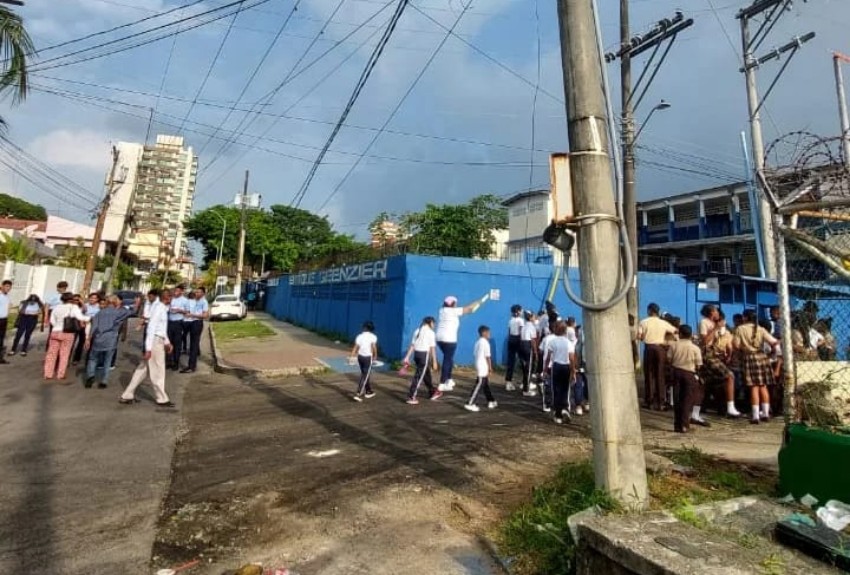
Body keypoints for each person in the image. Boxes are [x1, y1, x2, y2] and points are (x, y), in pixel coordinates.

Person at [120, 288, 175, 408]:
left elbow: (161, 328)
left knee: (142, 369)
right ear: (166, 297)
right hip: (155, 341)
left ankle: (128, 394)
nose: (171, 298)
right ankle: (162, 398)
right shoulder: (159, 308)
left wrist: (167, 341)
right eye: (170, 295)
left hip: (158, 339)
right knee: (158, 371)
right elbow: (151, 328)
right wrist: (149, 348)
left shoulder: (161, 308)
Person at [734, 309, 780, 424]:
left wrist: (741, 351)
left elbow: (736, 345)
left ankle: (755, 416)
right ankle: (765, 413)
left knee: (753, 387)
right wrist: (772, 354)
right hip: (762, 357)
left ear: (745, 318)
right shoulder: (761, 329)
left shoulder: (740, 329)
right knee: (763, 386)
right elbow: (774, 342)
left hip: (749, 358)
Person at [435, 294, 486, 392]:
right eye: (455, 303)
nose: (457, 304)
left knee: (449, 359)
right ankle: (441, 384)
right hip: (449, 339)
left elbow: (469, 309)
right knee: (447, 359)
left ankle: (449, 380)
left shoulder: (442, 310)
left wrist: (476, 304)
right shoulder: (454, 311)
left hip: (439, 339)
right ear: (453, 304)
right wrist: (479, 301)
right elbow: (469, 309)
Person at [84, 295, 134, 388]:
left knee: (93, 358)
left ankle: (90, 376)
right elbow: (132, 312)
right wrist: (136, 304)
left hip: (98, 339)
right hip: (111, 339)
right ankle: (104, 381)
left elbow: (94, 327)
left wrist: (88, 339)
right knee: (108, 360)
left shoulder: (99, 313)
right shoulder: (119, 313)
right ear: (115, 303)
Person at [638, 303, 677, 410]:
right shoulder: (663, 323)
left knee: (649, 375)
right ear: (658, 311)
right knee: (660, 375)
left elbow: (639, 337)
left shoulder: (643, 322)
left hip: (649, 348)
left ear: (649, 311)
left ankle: (649, 401)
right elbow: (675, 330)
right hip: (660, 349)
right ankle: (661, 402)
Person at [44, 293, 91, 380]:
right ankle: (60, 374)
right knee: (64, 354)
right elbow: (80, 317)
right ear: (71, 299)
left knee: (51, 354)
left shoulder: (57, 307)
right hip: (67, 333)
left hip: (55, 331)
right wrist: (88, 318)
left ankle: (48, 373)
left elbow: (52, 320)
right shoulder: (73, 307)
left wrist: (57, 326)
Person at [667, 324, 703, 434]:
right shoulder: (695, 348)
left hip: (676, 372)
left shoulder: (674, 345)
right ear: (690, 335)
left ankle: (677, 425)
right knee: (687, 400)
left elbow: (669, 359)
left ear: (680, 334)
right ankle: (684, 425)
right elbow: (699, 364)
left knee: (677, 399)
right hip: (689, 374)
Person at [403, 316, 440, 404]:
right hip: (424, 356)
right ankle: (411, 396)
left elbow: (412, 345)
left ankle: (432, 392)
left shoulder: (417, 330)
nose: (434, 325)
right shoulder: (431, 333)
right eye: (433, 323)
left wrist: (407, 357)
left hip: (417, 355)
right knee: (418, 376)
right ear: (430, 323)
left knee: (426, 374)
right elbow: (432, 348)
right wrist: (434, 361)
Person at [545, 320, 575, 425]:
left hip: (556, 366)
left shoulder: (552, 342)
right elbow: (571, 358)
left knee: (556, 390)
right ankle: (565, 409)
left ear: (556, 329)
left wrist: (545, 369)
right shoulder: (568, 342)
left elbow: (548, 358)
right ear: (565, 330)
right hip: (566, 367)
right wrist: (573, 371)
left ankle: (558, 415)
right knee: (565, 389)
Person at [464, 325, 497, 412]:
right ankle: (470, 403)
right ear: (484, 333)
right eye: (488, 332)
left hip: (478, 363)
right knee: (479, 383)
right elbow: (488, 357)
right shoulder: (485, 343)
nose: (489, 334)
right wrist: (490, 367)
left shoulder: (478, 342)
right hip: (483, 365)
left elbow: (475, 354)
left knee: (485, 384)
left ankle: (491, 400)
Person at [181, 287, 209, 373]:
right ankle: (190, 365)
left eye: (199, 292)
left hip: (197, 323)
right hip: (191, 322)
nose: (197, 294)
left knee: (194, 345)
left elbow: (205, 315)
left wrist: (193, 315)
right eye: (196, 292)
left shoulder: (204, 302)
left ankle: (191, 366)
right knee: (191, 344)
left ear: (203, 294)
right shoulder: (194, 301)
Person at [350, 321, 378, 402]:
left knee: (365, 374)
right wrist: (375, 355)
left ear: (365, 327)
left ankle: (368, 391)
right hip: (368, 358)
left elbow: (355, 347)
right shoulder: (373, 336)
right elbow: (373, 347)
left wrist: (351, 356)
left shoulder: (359, 336)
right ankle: (358, 393)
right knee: (365, 375)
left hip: (360, 357)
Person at [72, 292, 101, 366]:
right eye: (91, 297)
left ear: (97, 299)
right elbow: (81, 313)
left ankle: (89, 360)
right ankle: (76, 358)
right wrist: (81, 322)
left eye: (94, 298)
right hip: (83, 324)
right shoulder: (86, 305)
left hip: (93, 325)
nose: (92, 299)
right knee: (80, 342)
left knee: (90, 343)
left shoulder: (99, 307)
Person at [166, 285, 189, 370]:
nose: (176, 292)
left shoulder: (185, 301)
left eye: (178, 290)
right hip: (170, 322)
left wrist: (179, 310)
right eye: (175, 290)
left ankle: (176, 363)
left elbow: (187, 311)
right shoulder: (172, 299)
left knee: (177, 344)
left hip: (179, 323)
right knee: (168, 342)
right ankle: (169, 361)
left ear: (182, 292)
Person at [519, 310, 539, 397]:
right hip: (527, 346)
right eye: (534, 316)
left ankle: (525, 384)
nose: (535, 317)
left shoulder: (524, 326)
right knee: (529, 368)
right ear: (530, 317)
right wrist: (535, 352)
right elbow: (533, 341)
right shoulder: (532, 327)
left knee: (524, 368)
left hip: (522, 345)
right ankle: (526, 390)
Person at [504, 304, 524, 391]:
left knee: (511, 362)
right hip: (518, 340)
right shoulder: (521, 320)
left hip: (511, 340)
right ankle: (524, 382)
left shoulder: (510, 320)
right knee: (523, 361)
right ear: (519, 311)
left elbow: (509, 332)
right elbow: (521, 332)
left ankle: (508, 382)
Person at [0, 279, 12, 364]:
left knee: (1, 339)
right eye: (7, 286)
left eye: (9, 287)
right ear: (2, 286)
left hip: (4, 320)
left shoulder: (7, 296)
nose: (8, 288)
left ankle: (0, 358)